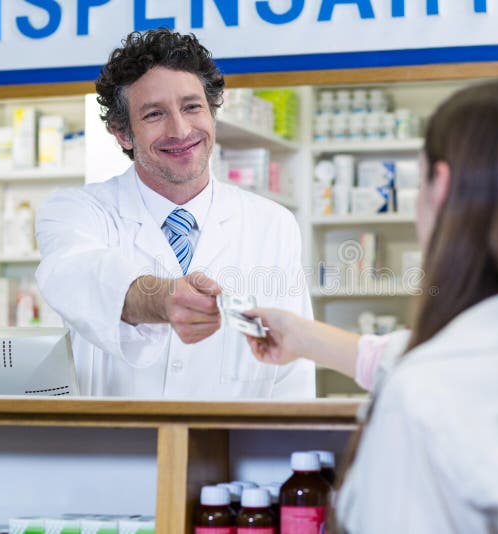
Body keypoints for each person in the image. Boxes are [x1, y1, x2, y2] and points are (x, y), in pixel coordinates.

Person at [246, 78, 498, 533]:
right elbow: (415, 360)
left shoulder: (425, 395)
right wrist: (302, 337)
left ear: (440, 185)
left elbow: (431, 383)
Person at [34, 29, 314, 399]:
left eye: (192, 107)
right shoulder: (77, 212)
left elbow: (291, 372)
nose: (180, 130)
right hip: (118, 451)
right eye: (154, 114)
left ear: (213, 112)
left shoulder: (272, 224)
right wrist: (161, 299)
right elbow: (74, 275)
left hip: (234, 452)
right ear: (122, 133)